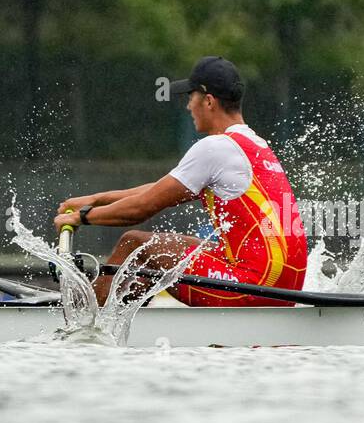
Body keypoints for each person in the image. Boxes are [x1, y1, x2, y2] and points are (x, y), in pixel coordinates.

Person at [55, 56, 307, 306]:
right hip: (285, 285)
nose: (188, 106)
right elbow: (157, 191)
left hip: (256, 284)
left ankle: (85, 327)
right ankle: (118, 312)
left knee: (134, 243)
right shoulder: (255, 144)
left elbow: (142, 208)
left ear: (208, 101)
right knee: (162, 255)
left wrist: (81, 217)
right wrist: (96, 199)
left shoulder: (215, 148)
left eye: (190, 97)